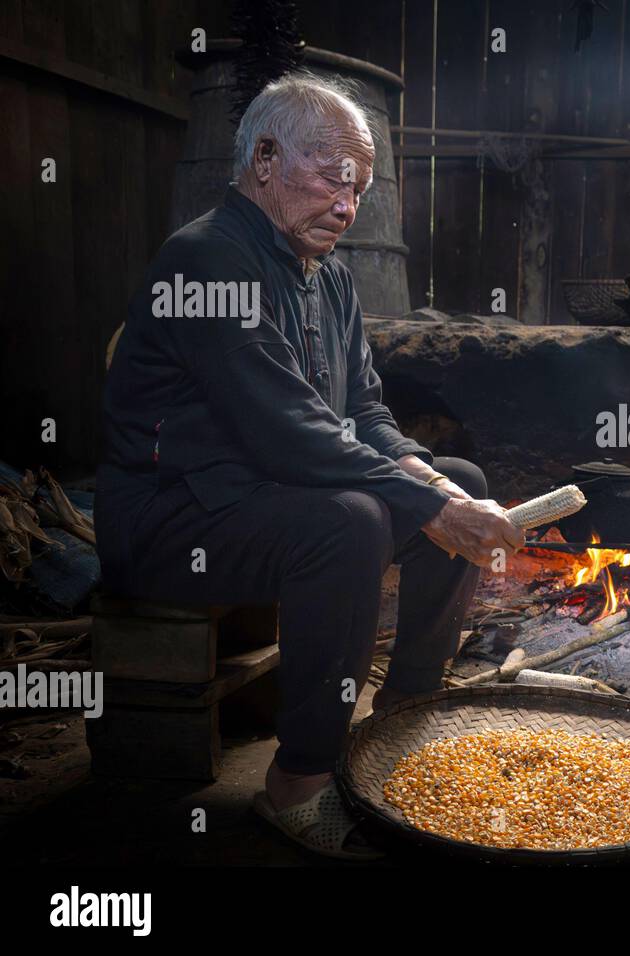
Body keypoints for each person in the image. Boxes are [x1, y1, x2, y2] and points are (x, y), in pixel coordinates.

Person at [95, 72, 524, 860]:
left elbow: (363, 415)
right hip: (170, 519)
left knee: (459, 479)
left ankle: (403, 708)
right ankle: (296, 782)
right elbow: (288, 432)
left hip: (261, 498)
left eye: (357, 189)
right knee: (352, 521)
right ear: (264, 159)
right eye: (334, 178)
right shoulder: (205, 263)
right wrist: (424, 507)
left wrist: (434, 488)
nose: (348, 205)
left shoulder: (327, 277)